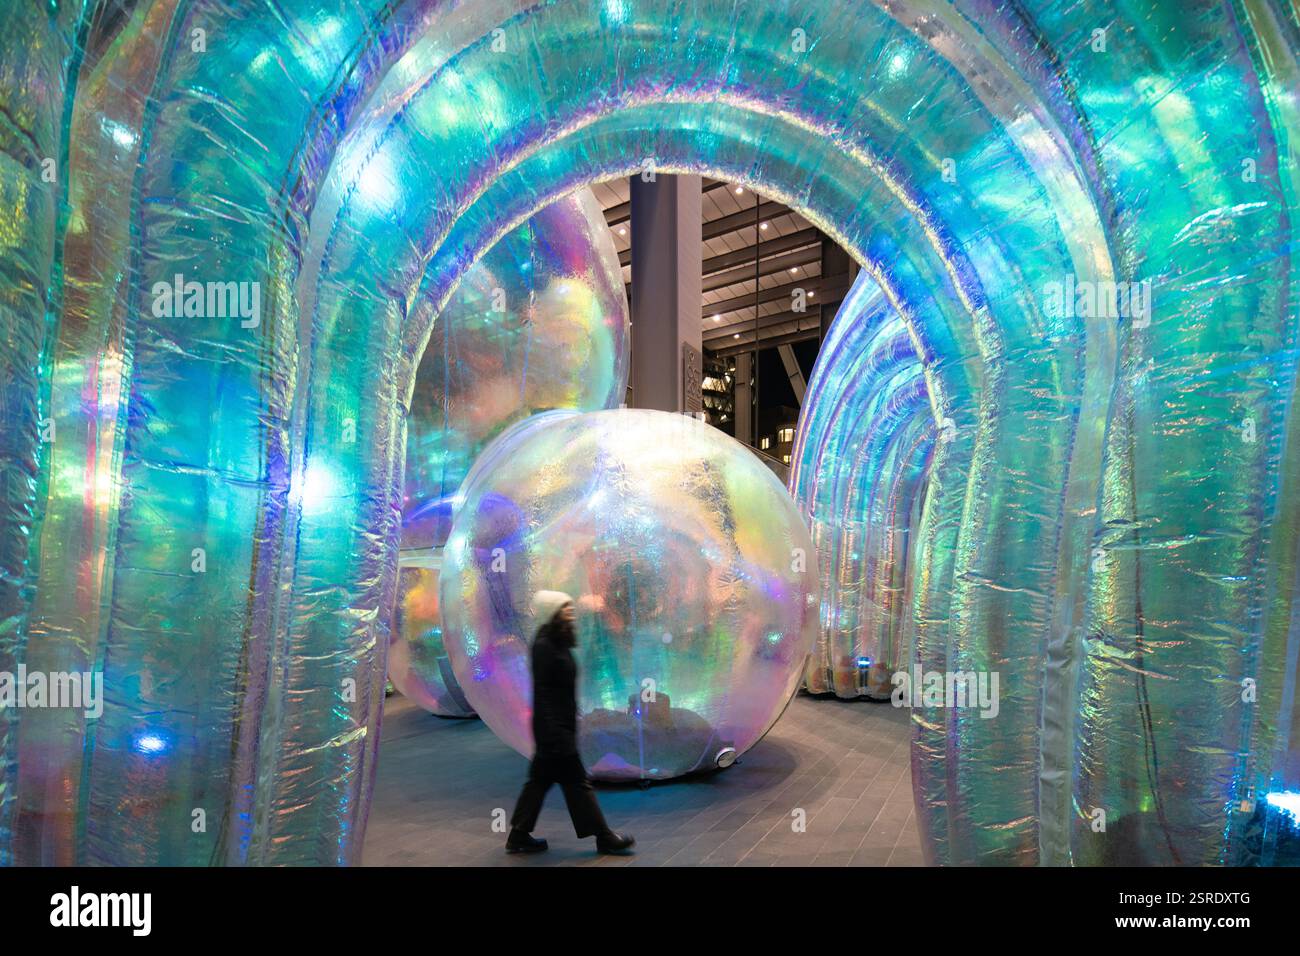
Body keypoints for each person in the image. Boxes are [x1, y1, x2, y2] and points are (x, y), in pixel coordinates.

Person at [506, 590, 636, 855]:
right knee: (576, 783)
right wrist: (557, 733)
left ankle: (518, 836)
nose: (571, 611)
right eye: (565, 608)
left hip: (555, 730)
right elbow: (543, 693)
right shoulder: (544, 645)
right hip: (554, 732)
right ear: (552, 612)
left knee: (540, 783)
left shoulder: (557, 640)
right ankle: (604, 836)